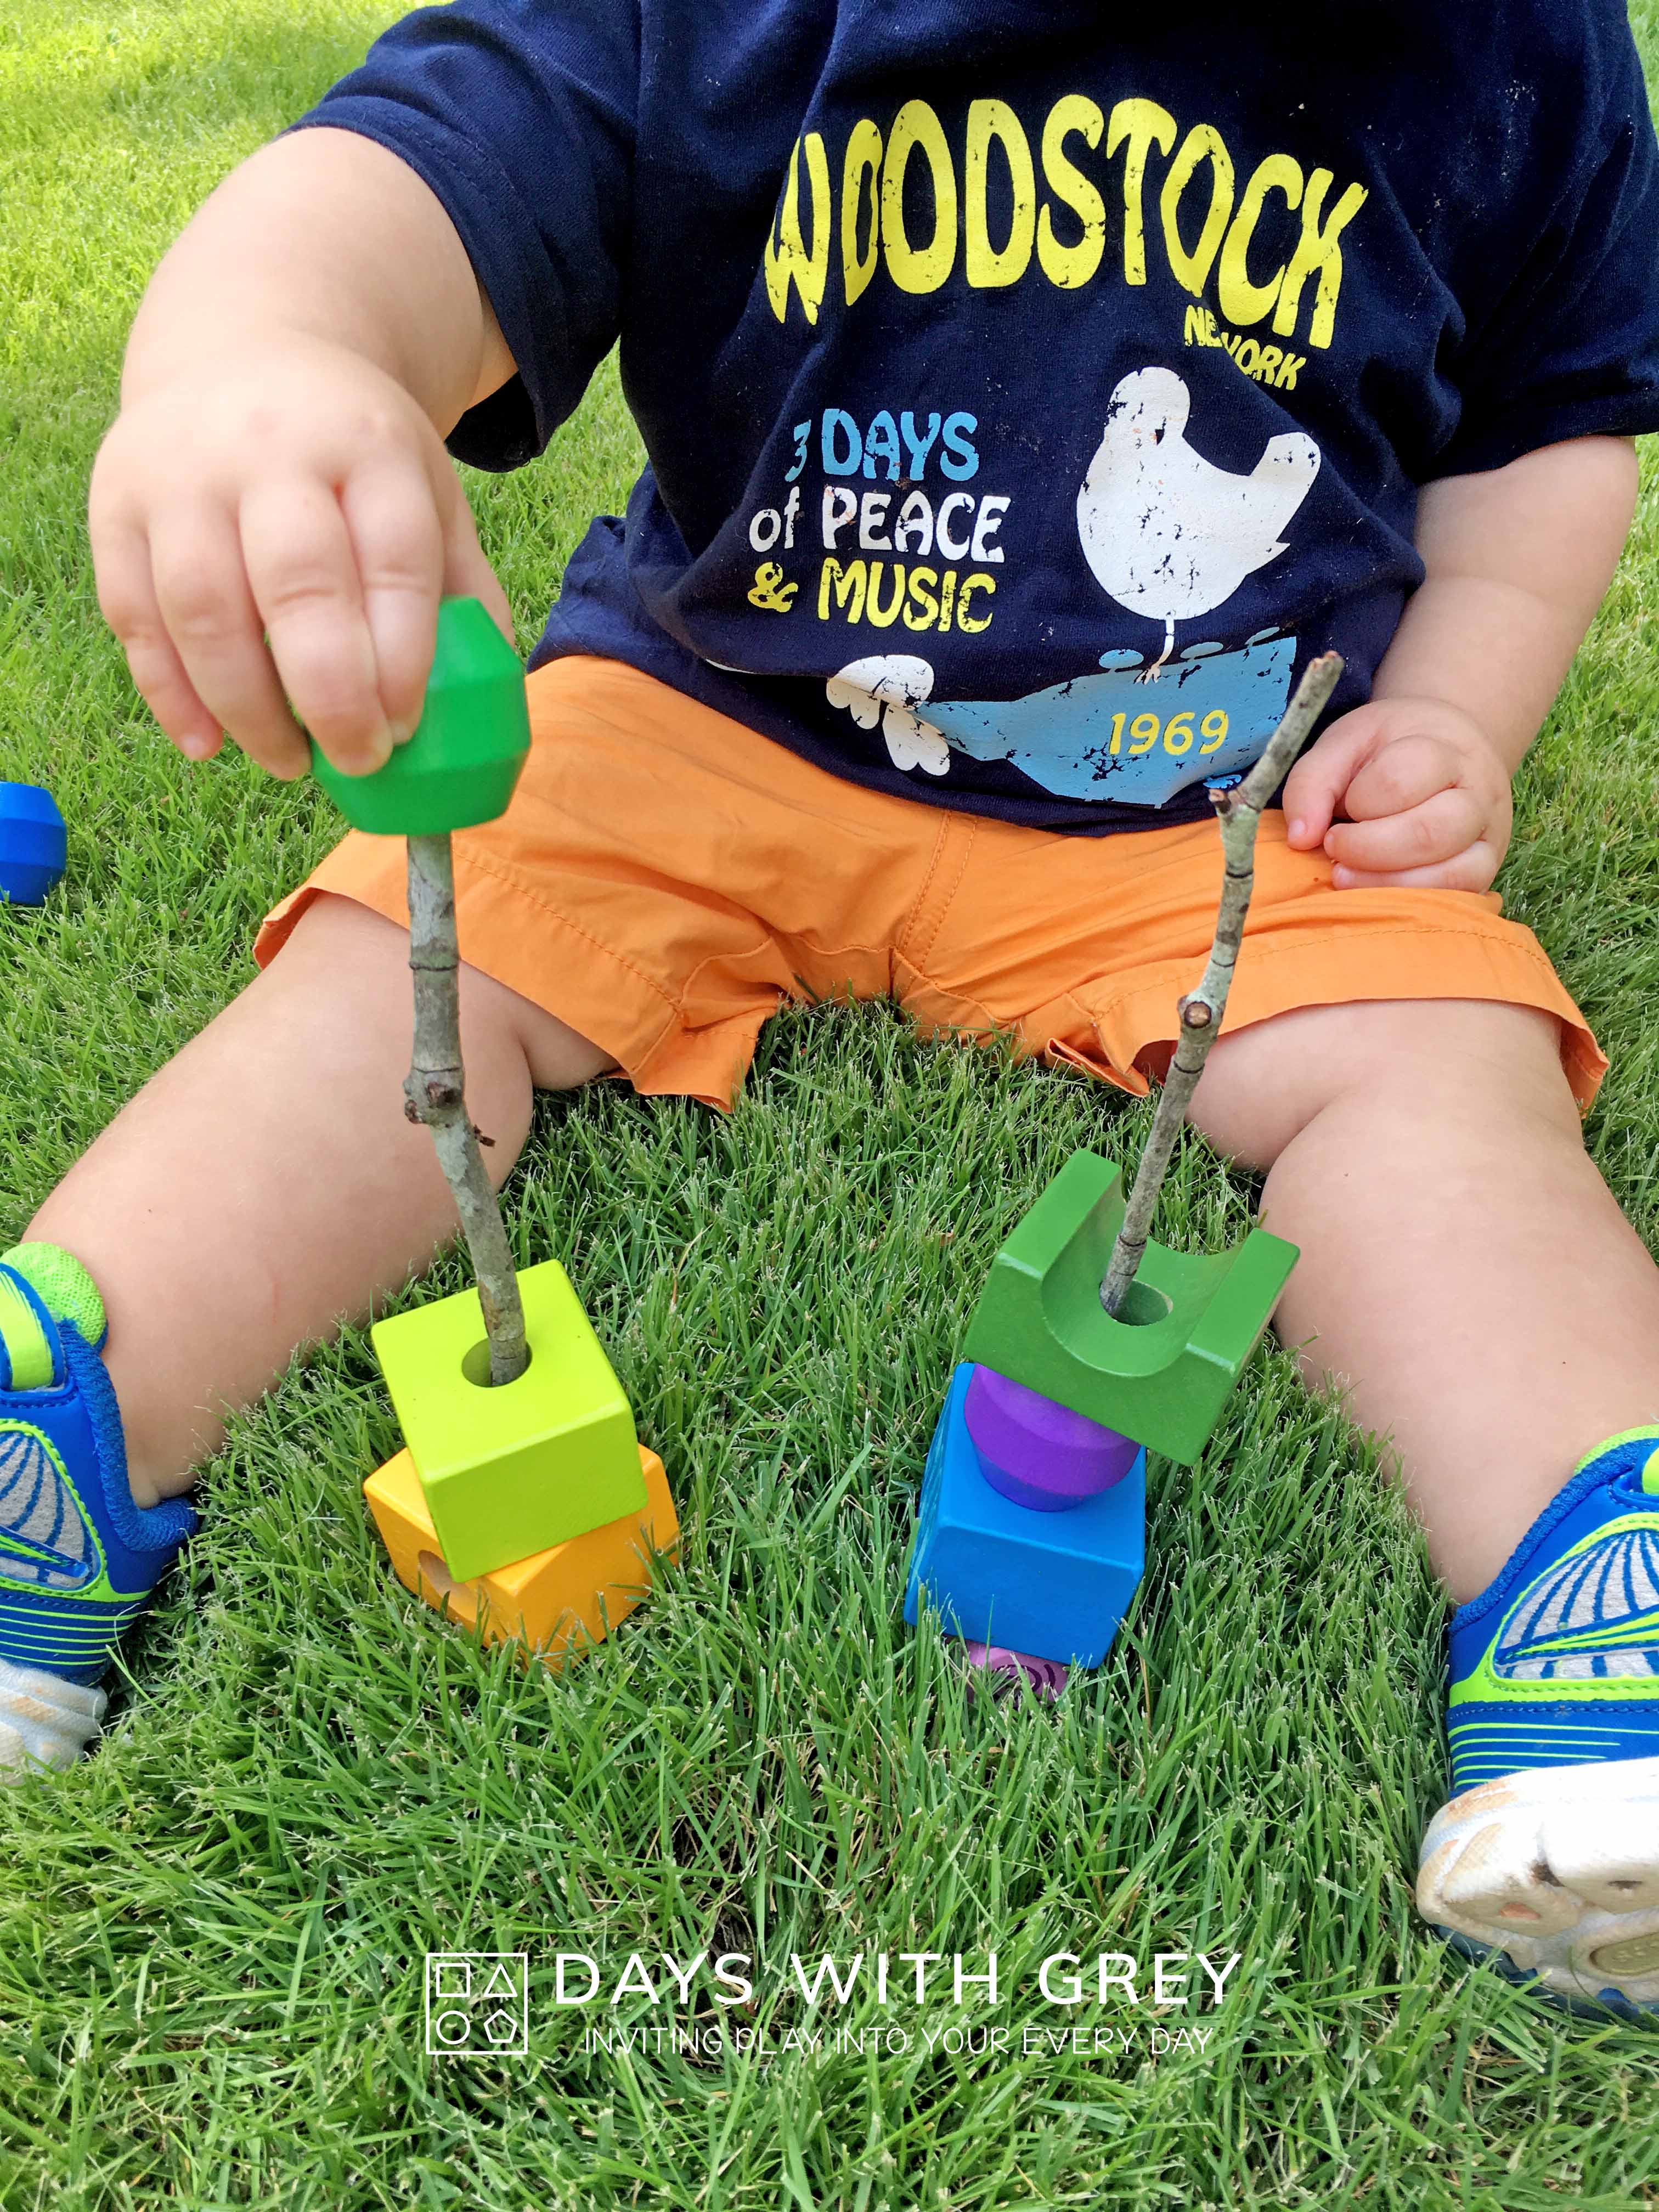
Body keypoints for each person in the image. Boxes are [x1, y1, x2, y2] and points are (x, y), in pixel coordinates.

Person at [4, 0, 1658, 2013]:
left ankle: (1602, 1605)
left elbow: (1543, 428)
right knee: (411, 966)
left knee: (1435, 1072)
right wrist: (265, 351)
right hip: (708, 718)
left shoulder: (1507, 46)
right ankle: (60, 1429)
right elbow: (424, 169)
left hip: (1223, 783)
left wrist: (1457, 715)